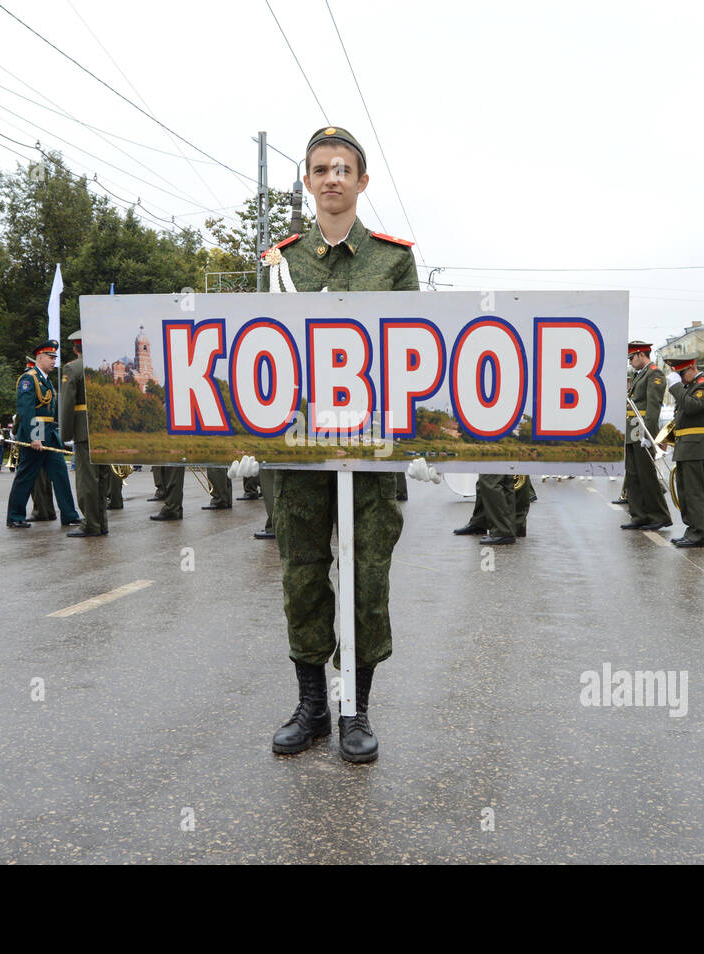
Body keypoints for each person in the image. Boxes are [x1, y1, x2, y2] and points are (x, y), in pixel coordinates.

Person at [266, 126, 417, 764]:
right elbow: (262, 349)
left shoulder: (393, 259)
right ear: (306, 181)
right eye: (320, 168)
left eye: (343, 168)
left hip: (370, 445)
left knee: (366, 578)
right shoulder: (280, 262)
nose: (332, 178)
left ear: (361, 182)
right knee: (303, 575)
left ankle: (355, 708)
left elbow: (413, 348)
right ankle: (312, 708)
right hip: (299, 447)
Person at [6, 340, 81, 529]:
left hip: (49, 432)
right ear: (39, 358)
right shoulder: (28, 379)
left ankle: (69, 515)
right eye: (50, 357)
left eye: (55, 358)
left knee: (60, 473)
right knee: (26, 475)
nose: (54, 361)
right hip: (36, 431)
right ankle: (15, 516)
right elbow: (26, 410)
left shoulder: (45, 379)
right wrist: (34, 436)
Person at [60, 330, 109, 537]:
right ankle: (101, 523)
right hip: (104, 429)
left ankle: (90, 524)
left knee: (87, 480)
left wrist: (65, 434)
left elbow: (68, 403)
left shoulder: (72, 368)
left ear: (75, 348)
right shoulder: (103, 368)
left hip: (84, 429)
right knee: (102, 478)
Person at [664, 354, 704, 548]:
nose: (680, 377)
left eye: (682, 372)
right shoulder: (690, 387)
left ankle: (700, 534)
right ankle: (692, 530)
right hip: (686, 446)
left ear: (692, 367)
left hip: (697, 447)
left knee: (695, 493)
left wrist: (676, 387)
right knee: (685, 493)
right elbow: (681, 418)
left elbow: (691, 407)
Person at [620, 341, 672, 532]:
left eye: (632, 358)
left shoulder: (654, 374)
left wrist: (648, 435)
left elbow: (653, 408)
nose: (630, 362)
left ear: (642, 355)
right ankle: (639, 515)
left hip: (642, 431)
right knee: (633, 476)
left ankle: (659, 516)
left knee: (647, 476)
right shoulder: (638, 375)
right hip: (632, 431)